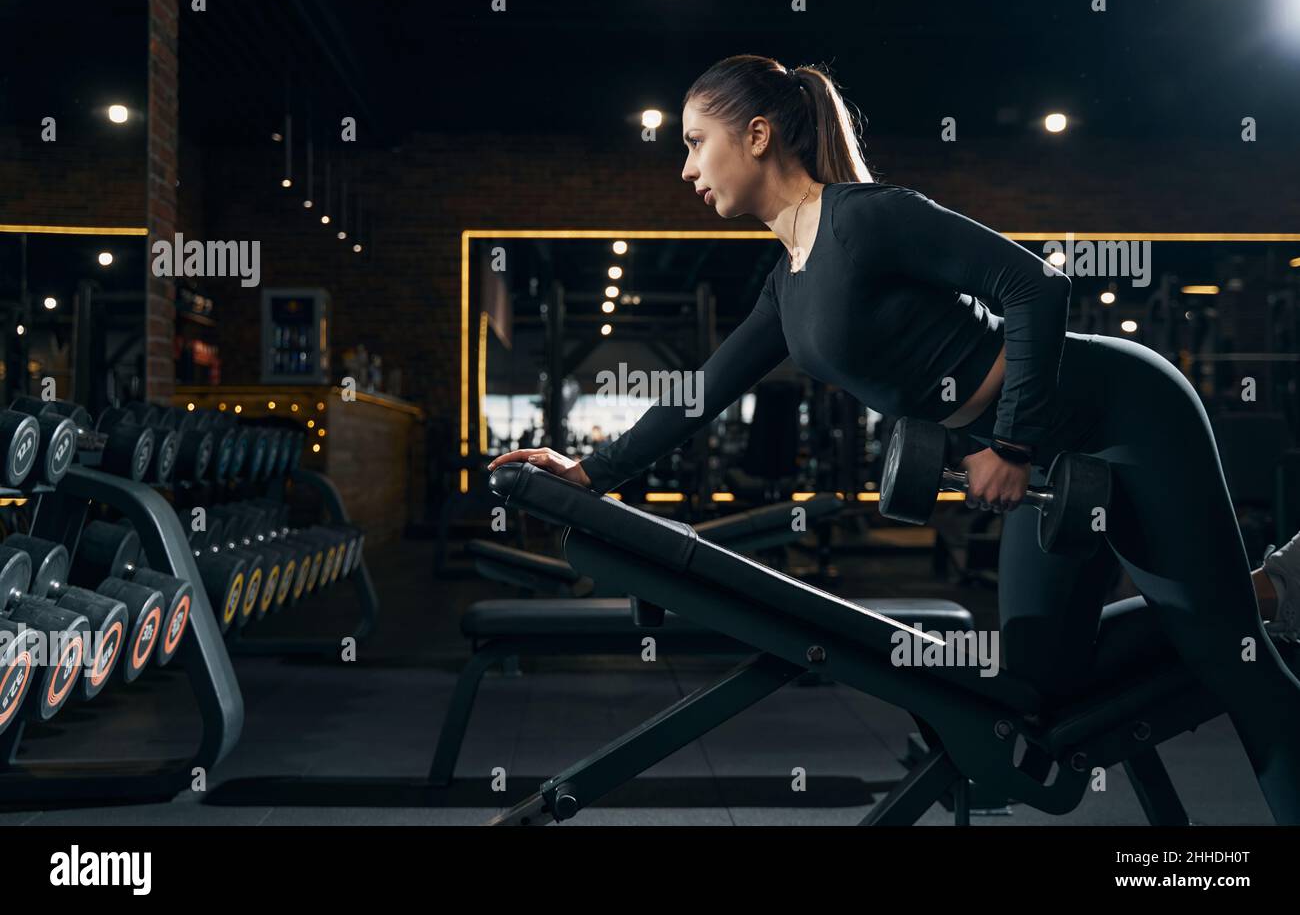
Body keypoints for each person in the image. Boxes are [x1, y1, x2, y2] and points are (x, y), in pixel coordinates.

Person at [489, 54, 1300, 823]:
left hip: (1121, 412)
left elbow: (1038, 286)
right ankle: (1252, 593)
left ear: (759, 134)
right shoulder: (787, 285)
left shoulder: (865, 220)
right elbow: (700, 393)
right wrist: (590, 473)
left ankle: (1246, 606)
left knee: (1234, 664)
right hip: (1052, 463)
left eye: (696, 141)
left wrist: (1010, 444)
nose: (686, 168)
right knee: (1040, 681)